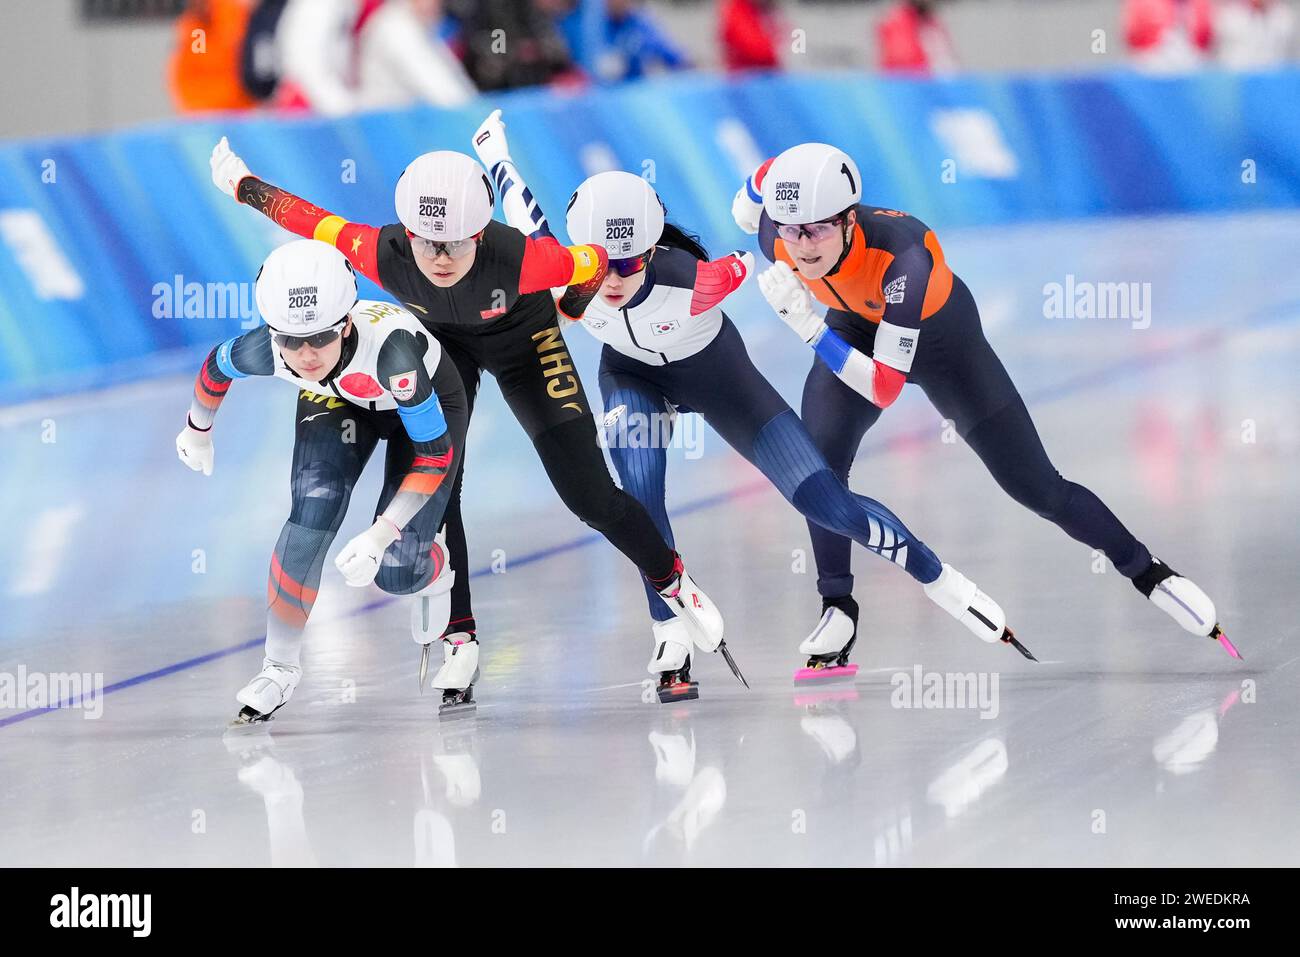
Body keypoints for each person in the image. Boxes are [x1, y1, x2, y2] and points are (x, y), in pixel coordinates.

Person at [468, 124, 1027, 700]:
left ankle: (943, 583)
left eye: (630, 265)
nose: (610, 281)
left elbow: (749, 256)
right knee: (638, 494)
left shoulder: (699, 282)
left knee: (823, 500)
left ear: (654, 250)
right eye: (598, 266)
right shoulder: (560, 271)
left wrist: (799, 299)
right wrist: (495, 152)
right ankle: (670, 633)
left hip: (716, 377)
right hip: (631, 375)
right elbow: (517, 198)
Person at [208, 123, 741, 692]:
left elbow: (588, 263)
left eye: (457, 242)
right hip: (445, 349)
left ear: (482, 233)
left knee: (588, 494)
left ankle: (673, 583)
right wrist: (243, 186)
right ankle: (459, 636)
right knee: (440, 484)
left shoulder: (525, 262)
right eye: (426, 242)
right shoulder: (378, 251)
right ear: (406, 233)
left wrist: (575, 309)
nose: (439, 258)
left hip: (527, 344)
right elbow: (306, 218)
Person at [730, 144, 1239, 660]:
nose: (801, 247)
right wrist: (764, 185)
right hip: (855, 330)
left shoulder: (904, 257)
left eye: (815, 230)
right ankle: (838, 606)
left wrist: (810, 330)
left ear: (848, 221)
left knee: (1037, 487)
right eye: (790, 230)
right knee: (818, 470)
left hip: (945, 347)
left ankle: (1149, 572)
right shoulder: (778, 232)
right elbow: (749, 202)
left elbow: (884, 386)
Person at [176, 240, 473, 720]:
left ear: (347, 324)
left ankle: (434, 567)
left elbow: (434, 456)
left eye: (319, 338)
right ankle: (278, 669)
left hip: (422, 408)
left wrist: (381, 533)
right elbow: (216, 367)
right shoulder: (271, 349)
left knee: (397, 570)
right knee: (311, 510)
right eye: (290, 341)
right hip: (338, 401)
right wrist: (197, 430)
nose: (306, 354)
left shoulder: (392, 357)